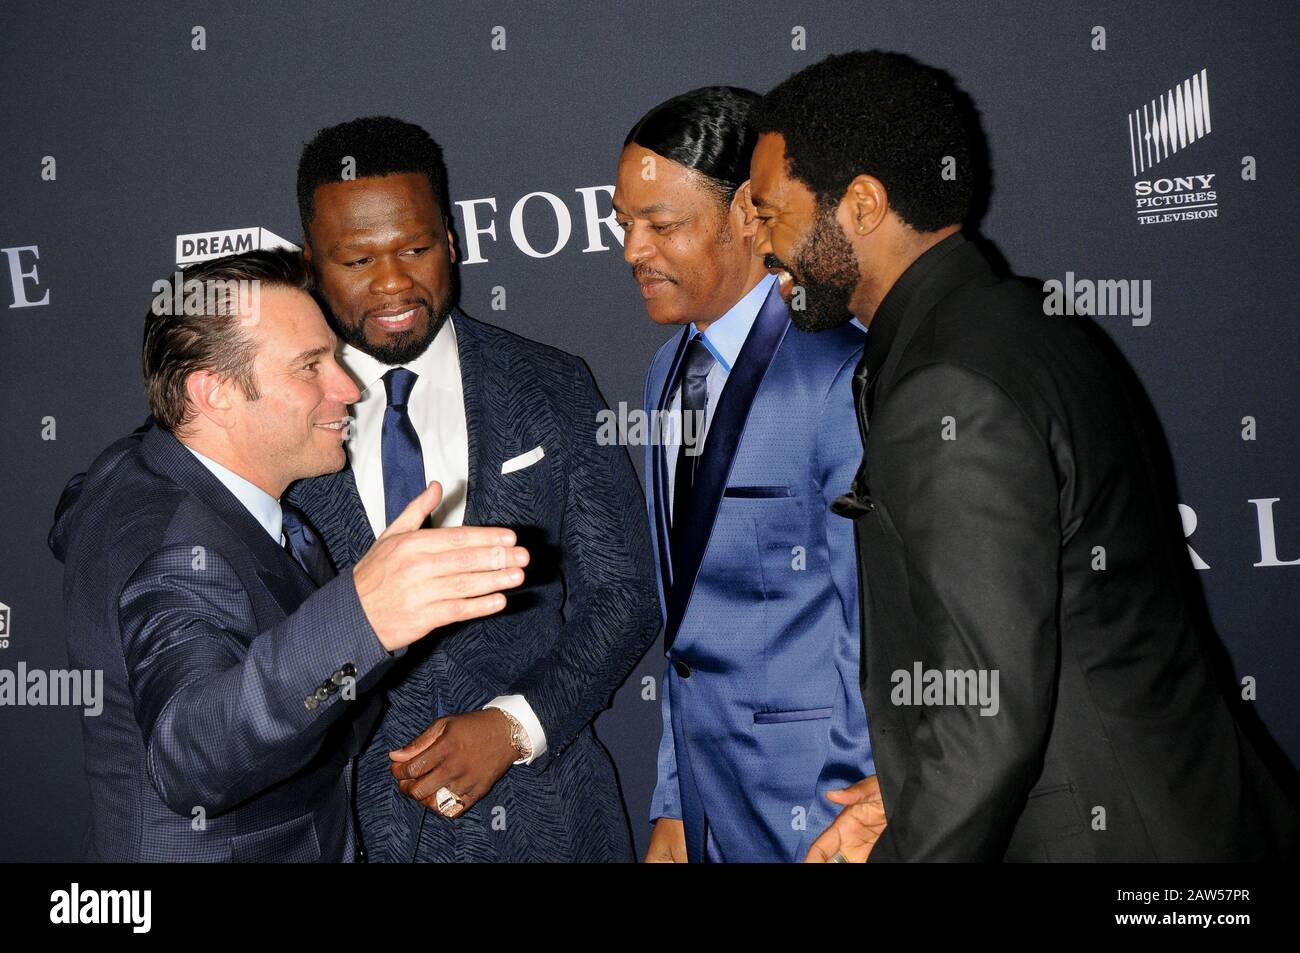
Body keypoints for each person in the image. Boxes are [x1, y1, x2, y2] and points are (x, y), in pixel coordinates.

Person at [749, 50, 1300, 861]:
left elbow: (985, 716)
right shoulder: (1021, 321)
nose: (760, 242)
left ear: (861, 204)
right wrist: (905, 796)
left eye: (769, 211)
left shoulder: (946, 382)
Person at [48, 249, 528, 861]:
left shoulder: (138, 467)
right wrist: (362, 616)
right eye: (311, 367)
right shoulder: (180, 552)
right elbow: (191, 755)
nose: (348, 388)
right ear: (214, 393)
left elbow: (80, 499)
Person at [289, 116, 660, 862]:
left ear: (453, 241)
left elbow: (625, 591)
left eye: (416, 249)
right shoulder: (278, 422)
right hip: (351, 829)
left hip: (546, 821)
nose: (393, 282)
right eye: (358, 257)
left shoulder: (550, 385)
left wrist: (516, 724)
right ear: (311, 266)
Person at [613, 87, 873, 863]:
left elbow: (878, 623)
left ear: (749, 219)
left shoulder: (838, 371)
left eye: (660, 226)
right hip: (709, 804)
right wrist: (674, 800)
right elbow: (686, 623)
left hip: (828, 810)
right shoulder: (666, 369)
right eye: (624, 223)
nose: (632, 250)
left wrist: (862, 803)